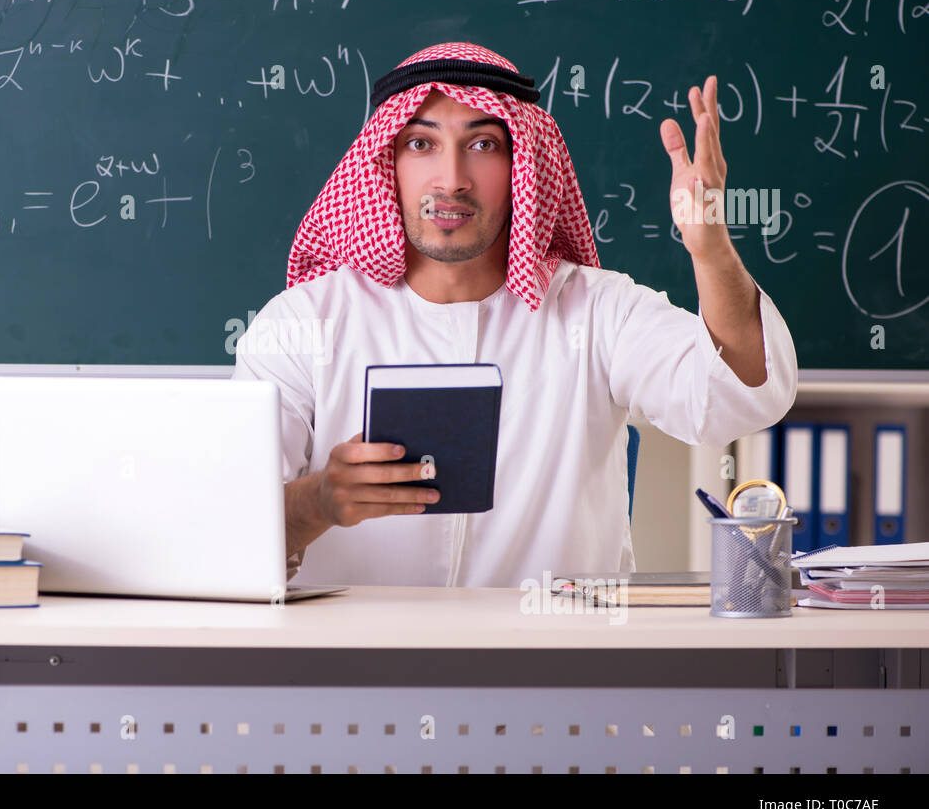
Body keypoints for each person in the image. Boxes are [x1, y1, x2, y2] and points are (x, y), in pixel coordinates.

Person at [230, 42, 798, 587]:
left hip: (559, 668)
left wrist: (711, 247)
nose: (450, 178)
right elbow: (219, 533)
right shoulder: (303, 325)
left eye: (482, 145)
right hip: (350, 672)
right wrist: (322, 500)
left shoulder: (596, 311)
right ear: (386, 164)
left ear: (523, 164)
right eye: (421, 145)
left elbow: (739, 396)